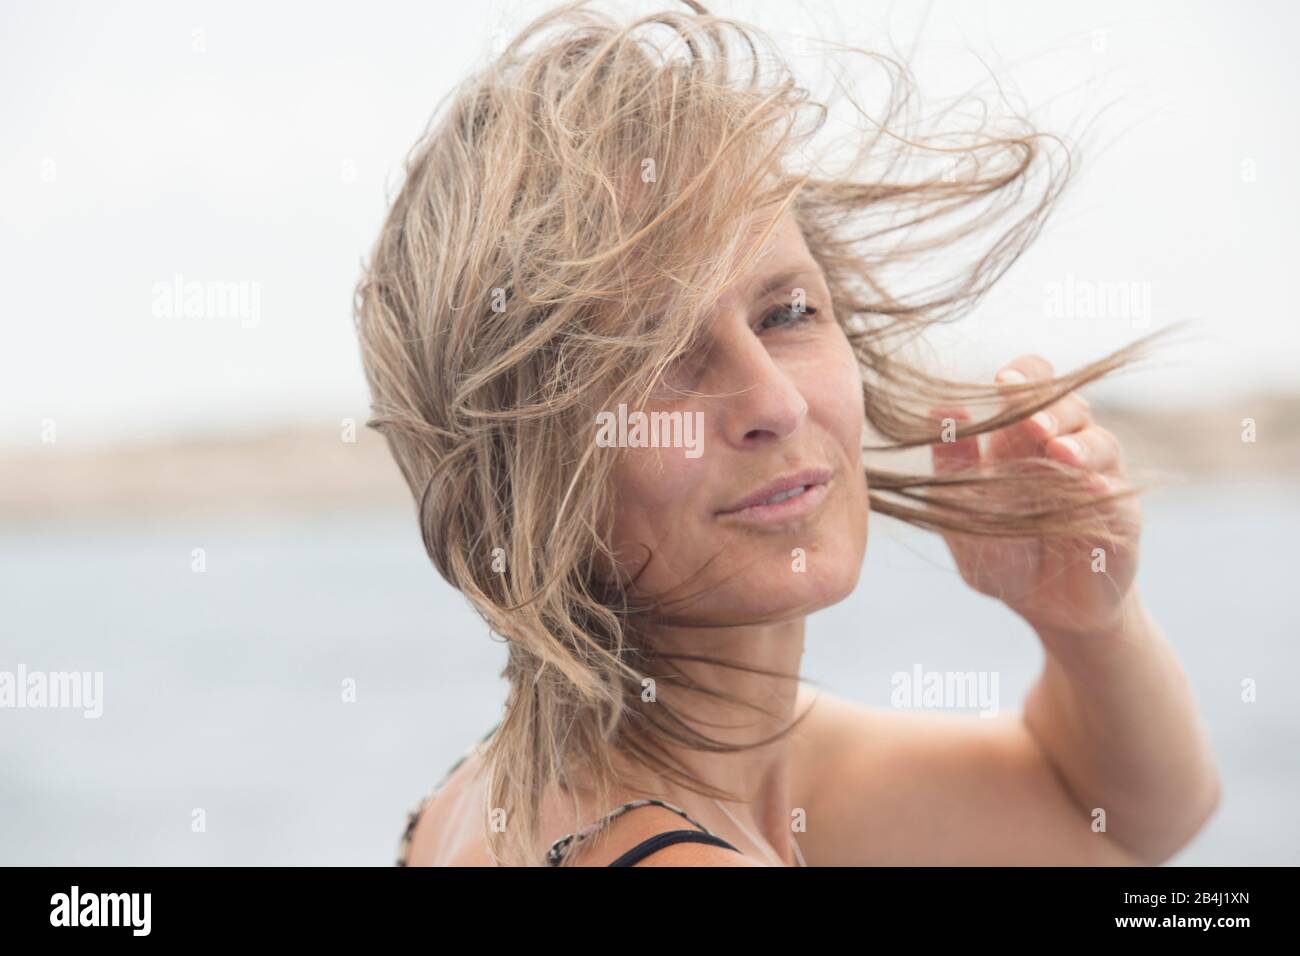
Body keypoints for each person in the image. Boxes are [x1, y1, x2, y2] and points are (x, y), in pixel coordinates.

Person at [354, 0, 1221, 866]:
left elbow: (1125, 820)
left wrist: (1085, 624)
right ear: (518, 471)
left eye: (788, 312)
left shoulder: (567, 783)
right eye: (653, 359)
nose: (776, 402)